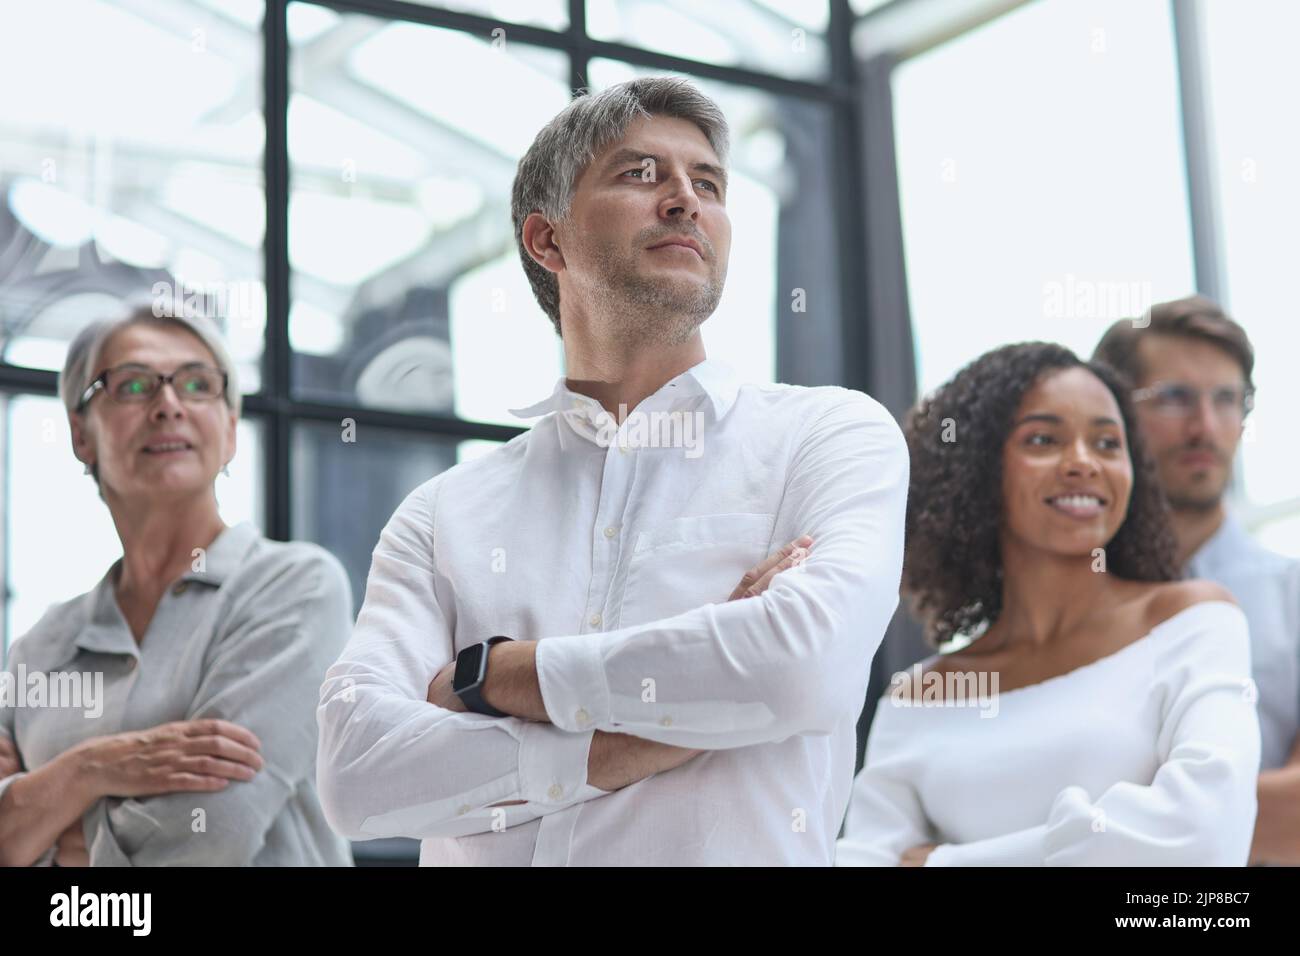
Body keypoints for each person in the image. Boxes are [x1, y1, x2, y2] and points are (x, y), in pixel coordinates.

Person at [316, 76, 908, 865]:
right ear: (547, 240)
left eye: (708, 183)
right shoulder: (441, 515)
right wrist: (635, 742)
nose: (684, 200)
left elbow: (798, 669)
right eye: (640, 174)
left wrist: (494, 676)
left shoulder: (827, 435)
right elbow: (356, 774)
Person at [835, 342, 1260, 866]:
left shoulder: (1192, 621)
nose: (1083, 463)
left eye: (1107, 443)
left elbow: (1202, 840)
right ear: (980, 470)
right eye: (1043, 439)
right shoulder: (917, 698)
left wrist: (937, 863)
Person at [0, 302, 353, 866]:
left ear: (231, 431)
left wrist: (46, 821)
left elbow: (211, 834)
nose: (168, 405)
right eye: (133, 384)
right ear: (80, 435)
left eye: (197, 384)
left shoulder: (296, 589)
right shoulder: (38, 650)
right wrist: (91, 766)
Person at [1093, 296, 1300, 865]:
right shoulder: (1058, 602)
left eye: (1228, 400)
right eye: (1175, 398)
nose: (1205, 427)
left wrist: (1075, 827)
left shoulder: (1294, 596)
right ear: (1112, 416)